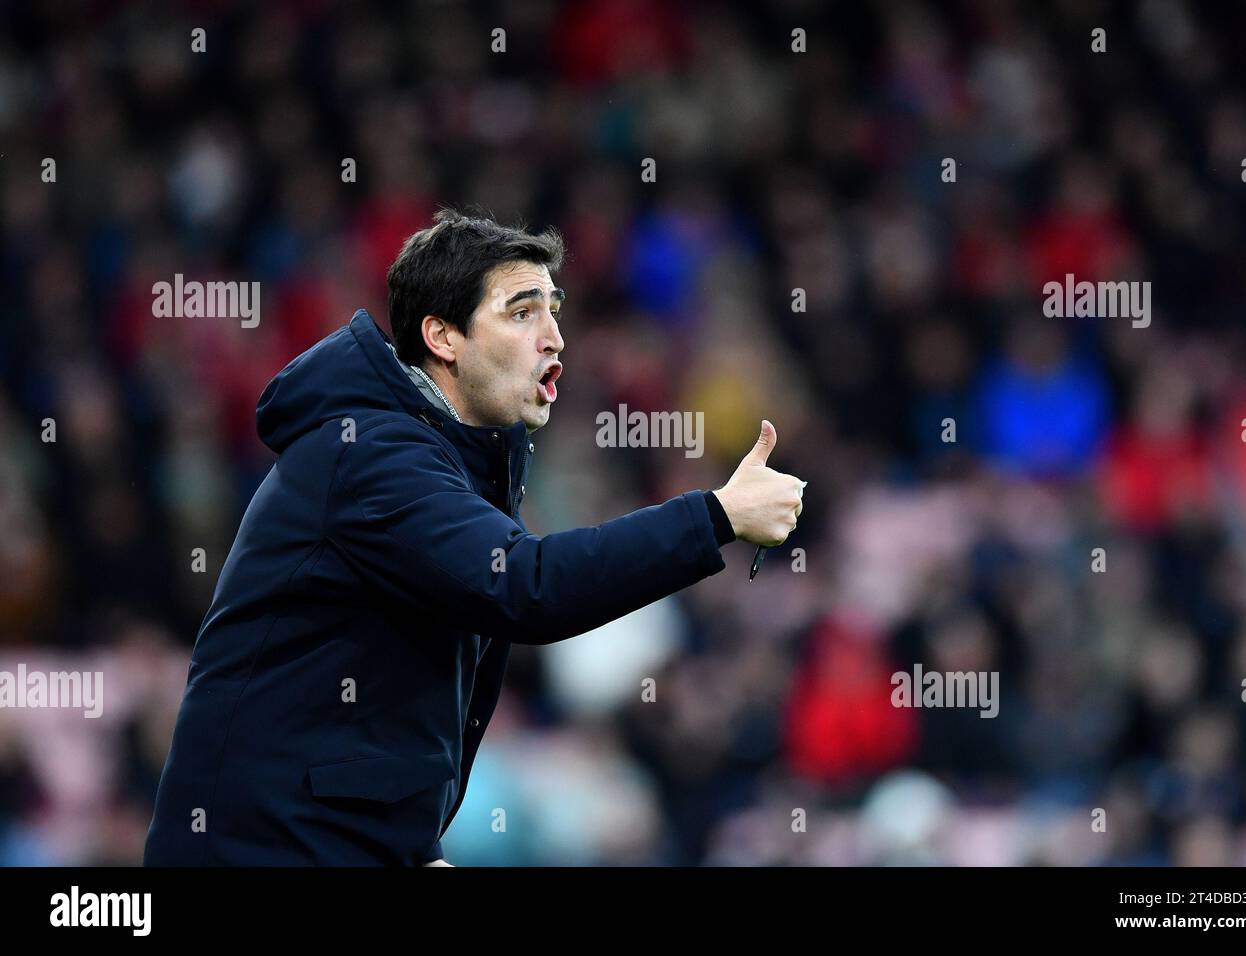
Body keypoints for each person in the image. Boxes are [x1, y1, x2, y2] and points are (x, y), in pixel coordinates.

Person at [143, 208, 805, 866]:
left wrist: (410, 847)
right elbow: (528, 586)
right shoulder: (373, 453)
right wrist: (714, 516)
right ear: (443, 336)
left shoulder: (441, 459)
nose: (554, 337)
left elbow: (368, 703)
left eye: (554, 310)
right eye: (522, 312)